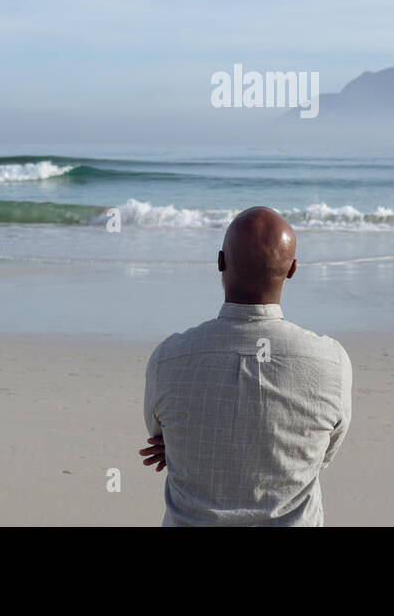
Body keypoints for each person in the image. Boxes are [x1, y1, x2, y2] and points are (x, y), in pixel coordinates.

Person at [139, 206, 352, 526]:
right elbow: (322, 455)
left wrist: (185, 440)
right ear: (293, 269)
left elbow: (159, 435)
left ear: (221, 261)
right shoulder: (330, 363)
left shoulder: (169, 358)